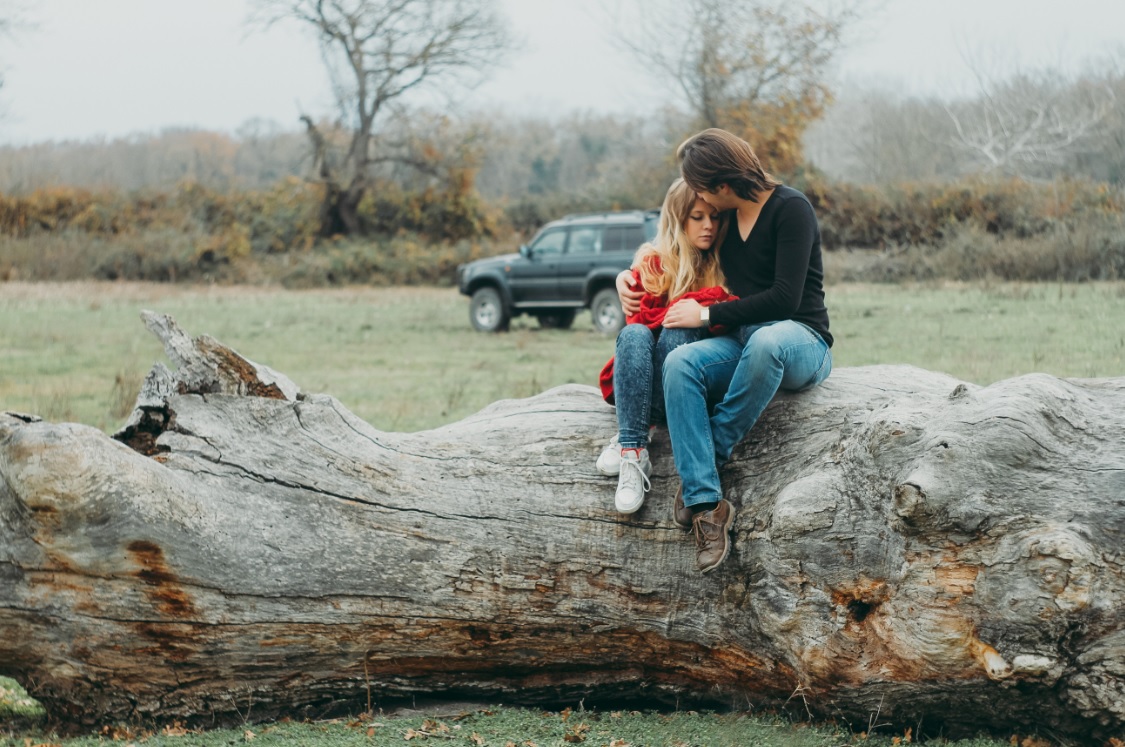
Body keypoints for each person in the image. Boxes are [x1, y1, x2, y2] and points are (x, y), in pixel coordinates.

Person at [621, 128, 833, 573]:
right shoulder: (725, 221)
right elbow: (675, 248)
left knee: (767, 341)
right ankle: (706, 505)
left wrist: (704, 315)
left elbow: (785, 299)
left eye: (700, 187)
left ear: (720, 183)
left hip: (799, 339)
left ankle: (708, 457)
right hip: (741, 341)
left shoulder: (791, 209)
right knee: (680, 363)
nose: (700, 199)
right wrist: (626, 276)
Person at [596, 178, 737, 515]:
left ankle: (632, 432)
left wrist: (699, 312)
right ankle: (633, 452)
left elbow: (731, 316)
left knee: (676, 333)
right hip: (644, 376)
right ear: (677, 219)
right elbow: (638, 325)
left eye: (714, 217)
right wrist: (626, 278)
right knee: (633, 334)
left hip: (689, 383)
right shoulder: (653, 263)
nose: (708, 225)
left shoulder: (725, 262)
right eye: (697, 217)